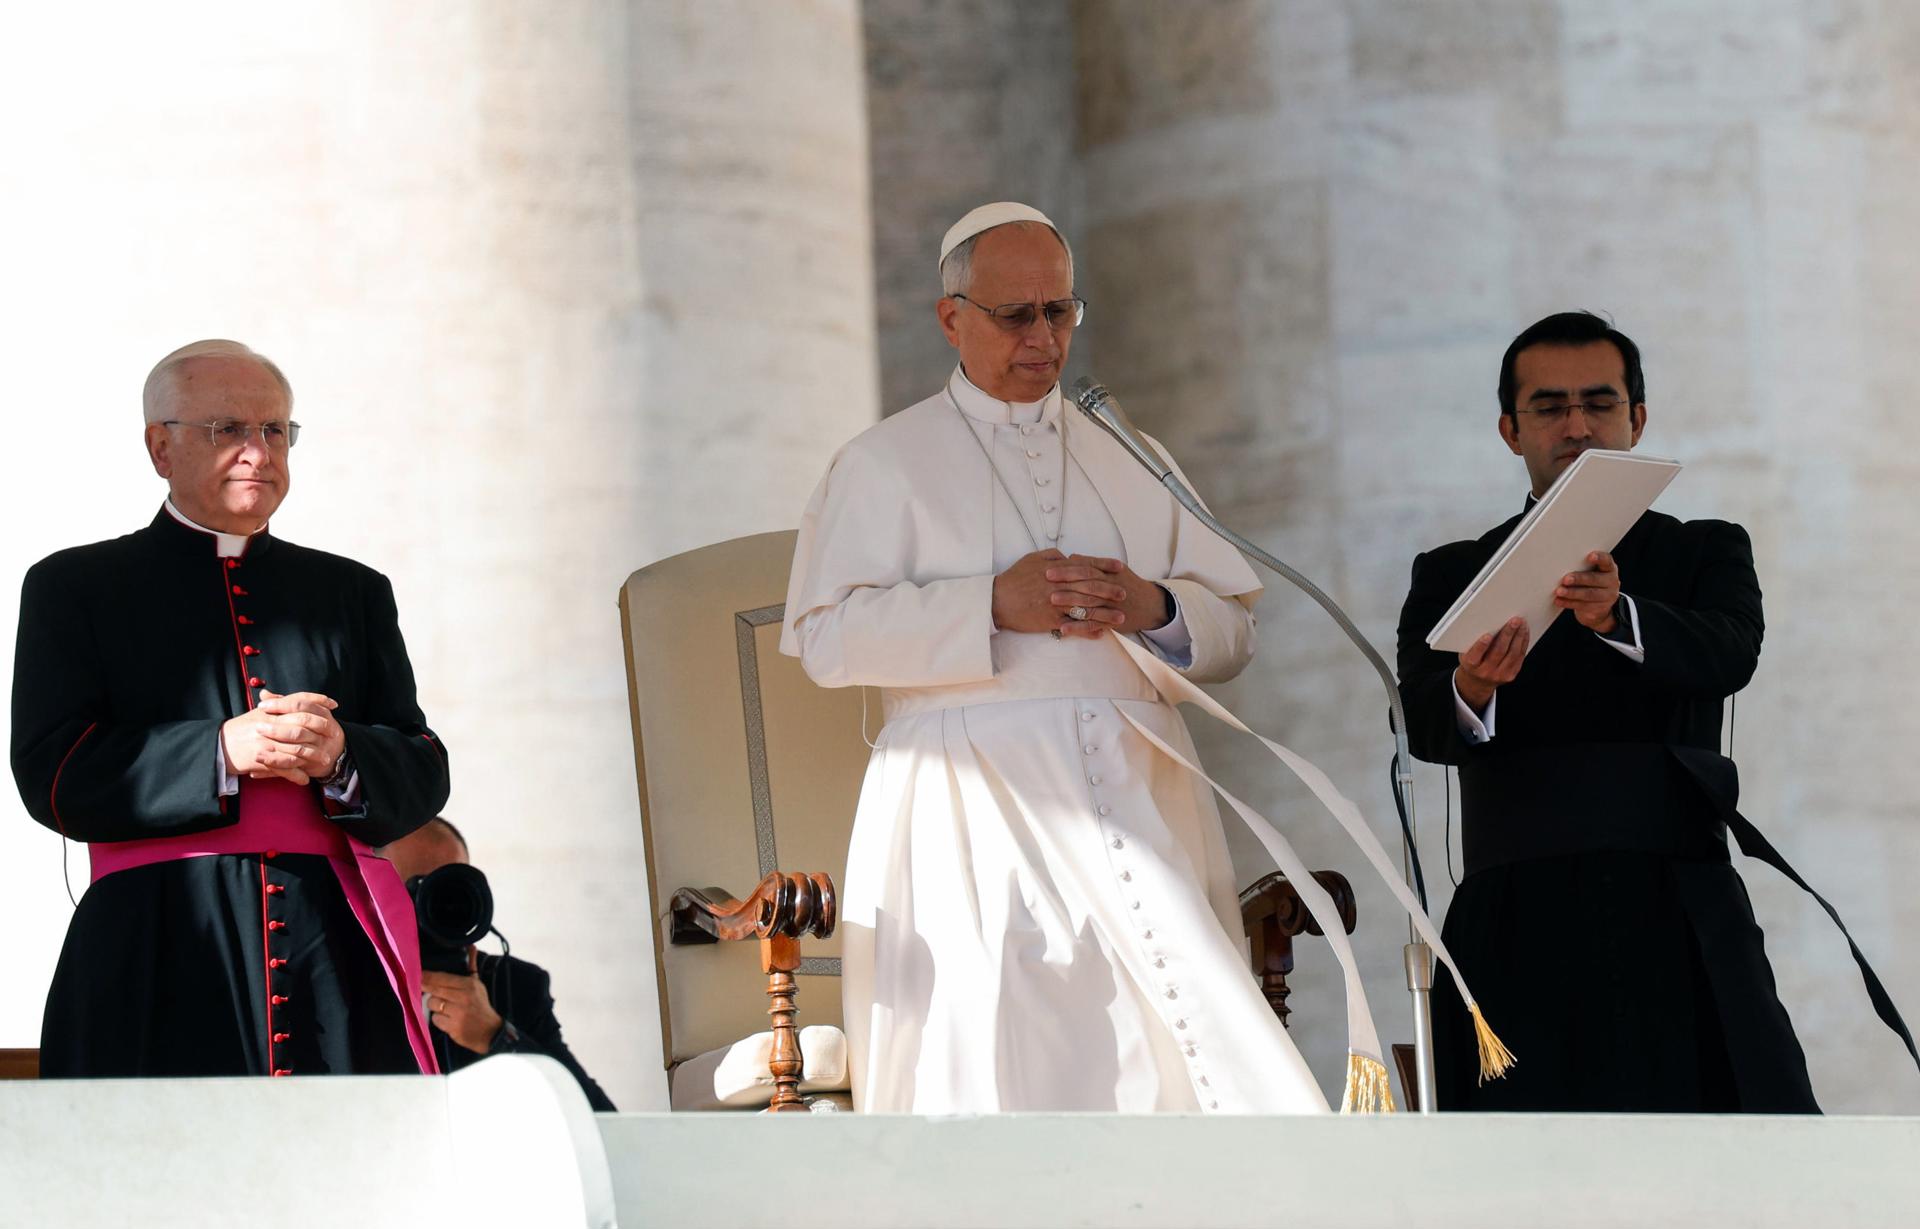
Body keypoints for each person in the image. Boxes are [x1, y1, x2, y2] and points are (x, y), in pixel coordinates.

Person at [781, 201, 1346, 1114]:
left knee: (1189, 1053)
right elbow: (822, 639)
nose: (1044, 337)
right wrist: (987, 604)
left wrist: (1152, 605)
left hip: (1141, 796)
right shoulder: (883, 463)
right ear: (951, 317)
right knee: (1004, 1057)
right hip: (971, 803)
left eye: (1061, 312)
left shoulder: (1131, 454)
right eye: (1017, 315)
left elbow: (1235, 630)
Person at [1394, 311, 1820, 1111]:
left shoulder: (1704, 550)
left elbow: (1731, 652)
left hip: (1679, 901)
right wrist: (1475, 687)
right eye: (1550, 407)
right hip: (1513, 917)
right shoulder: (1451, 571)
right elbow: (1422, 722)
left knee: (1727, 1147)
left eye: (1600, 402)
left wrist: (1620, 617)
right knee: (1518, 1167)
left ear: (1638, 419)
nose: (1578, 424)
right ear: (1509, 429)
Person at [12, 339, 449, 1078]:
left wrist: (341, 755)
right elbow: (53, 770)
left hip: (330, 951)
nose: (258, 451)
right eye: (228, 430)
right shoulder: (75, 586)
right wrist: (222, 750)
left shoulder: (351, 592)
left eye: (275, 430)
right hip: (157, 942)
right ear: (160, 447)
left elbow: (423, 766)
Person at [379, 817, 616, 1111]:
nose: (435, 906)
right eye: (414, 890)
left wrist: (495, 1037)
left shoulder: (513, 985)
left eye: (449, 889)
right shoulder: (335, 981)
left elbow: (600, 1119)